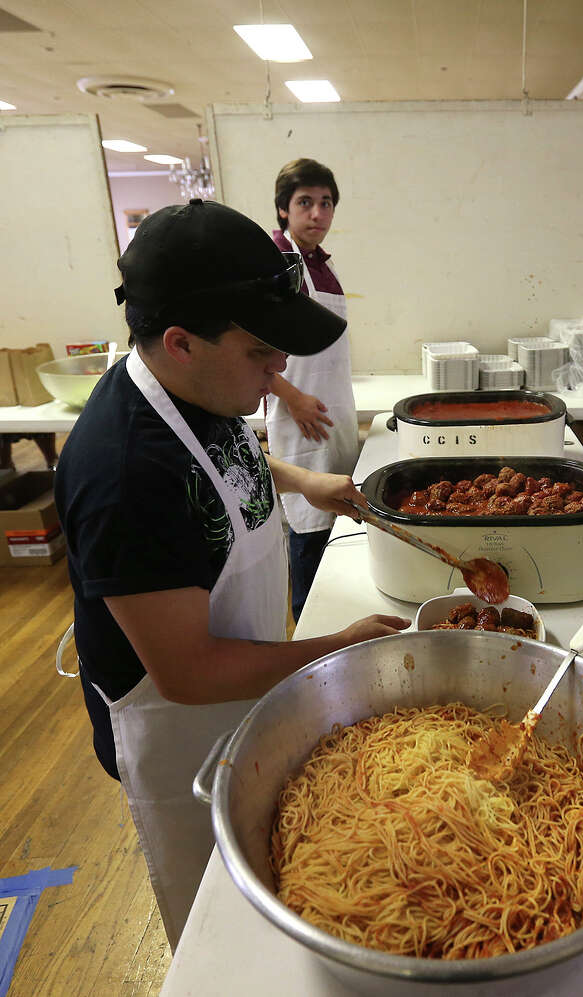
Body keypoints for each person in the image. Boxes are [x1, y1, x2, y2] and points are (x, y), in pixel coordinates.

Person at [54, 198, 409, 948]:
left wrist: (301, 481)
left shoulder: (196, 386)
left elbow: (225, 461)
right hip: (179, 728)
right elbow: (186, 671)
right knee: (221, 923)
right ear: (180, 342)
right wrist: (338, 649)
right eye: (260, 352)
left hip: (241, 686)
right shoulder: (122, 474)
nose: (278, 368)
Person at [265, 158, 358, 623]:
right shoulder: (279, 263)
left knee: (333, 532)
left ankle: (334, 622)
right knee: (308, 532)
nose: (317, 213)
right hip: (300, 420)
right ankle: (307, 629)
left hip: (331, 414)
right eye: (305, 203)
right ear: (284, 209)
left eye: (326, 203)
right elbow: (255, 348)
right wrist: (293, 397)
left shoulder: (323, 263)